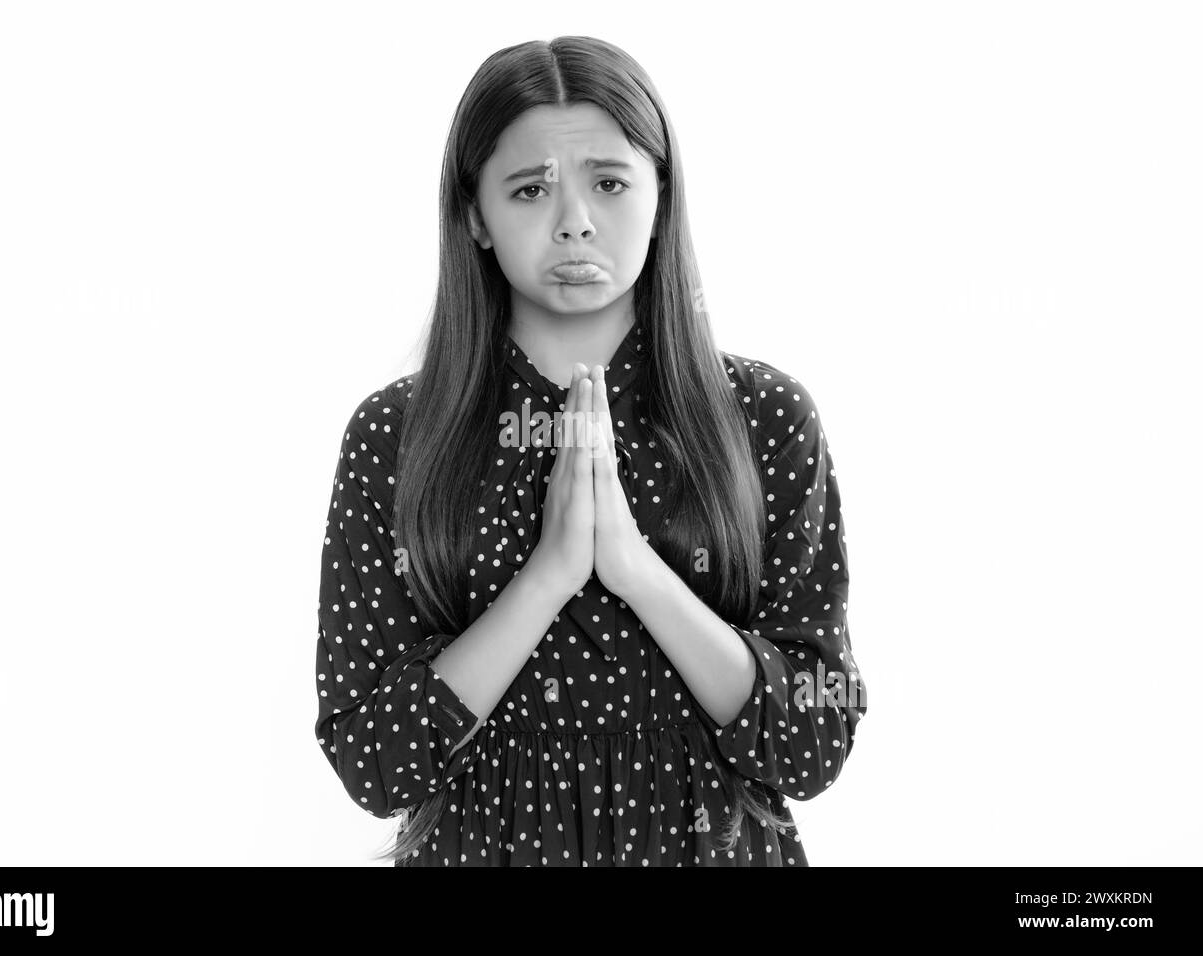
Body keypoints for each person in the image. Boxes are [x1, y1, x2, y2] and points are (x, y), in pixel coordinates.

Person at [314, 35, 866, 866]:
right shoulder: (396, 436)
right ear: (475, 215)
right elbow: (370, 761)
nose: (574, 220)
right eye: (530, 189)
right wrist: (547, 577)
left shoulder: (764, 417)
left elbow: (815, 737)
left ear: (661, 194)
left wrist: (636, 568)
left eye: (608, 182)